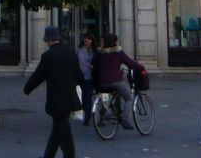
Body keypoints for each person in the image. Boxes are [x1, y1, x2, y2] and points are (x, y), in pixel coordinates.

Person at [24, 26, 83, 158]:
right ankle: (48, 155)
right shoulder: (71, 53)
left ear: (48, 40)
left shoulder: (48, 56)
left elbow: (38, 76)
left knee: (63, 131)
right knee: (58, 129)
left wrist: (27, 89)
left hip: (56, 100)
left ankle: (69, 155)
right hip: (69, 98)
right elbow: (79, 76)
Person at [92, 32, 145, 130]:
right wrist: (141, 67)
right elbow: (129, 62)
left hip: (103, 80)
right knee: (128, 98)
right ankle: (125, 119)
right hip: (115, 80)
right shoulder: (118, 52)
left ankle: (111, 112)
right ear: (114, 42)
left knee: (114, 94)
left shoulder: (100, 53)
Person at [75, 33, 96, 126]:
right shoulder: (78, 50)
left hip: (90, 76)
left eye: (89, 39)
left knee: (87, 96)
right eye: (85, 39)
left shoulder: (95, 51)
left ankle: (87, 115)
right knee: (83, 96)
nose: (87, 41)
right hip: (79, 76)